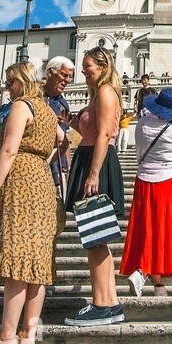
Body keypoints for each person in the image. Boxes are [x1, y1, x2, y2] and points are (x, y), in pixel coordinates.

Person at [0, 61, 65, 344]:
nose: (7, 87)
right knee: (37, 261)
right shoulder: (48, 111)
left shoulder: (22, 107)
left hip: (21, 180)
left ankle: (6, 336)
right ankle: (27, 335)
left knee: (17, 257)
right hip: (43, 183)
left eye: (10, 81)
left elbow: (9, 150)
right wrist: (43, 160)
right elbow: (64, 141)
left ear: (21, 81)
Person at [63, 47, 125, 327]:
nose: (83, 70)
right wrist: (72, 121)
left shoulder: (105, 91)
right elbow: (92, 130)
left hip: (95, 161)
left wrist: (93, 174)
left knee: (95, 238)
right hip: (90, 157)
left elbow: (103, 134)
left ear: (102, 66)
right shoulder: (100, 93)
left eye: (87, 65)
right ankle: (110, 302)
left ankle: (101, 304)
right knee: (96, 237)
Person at [121, 88, 172, 299]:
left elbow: (138, 152)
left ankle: (144, 269)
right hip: (167, 180)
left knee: (144, 226)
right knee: (165, 227)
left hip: (144, 179)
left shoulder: (142, 124)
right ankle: (155, 276)